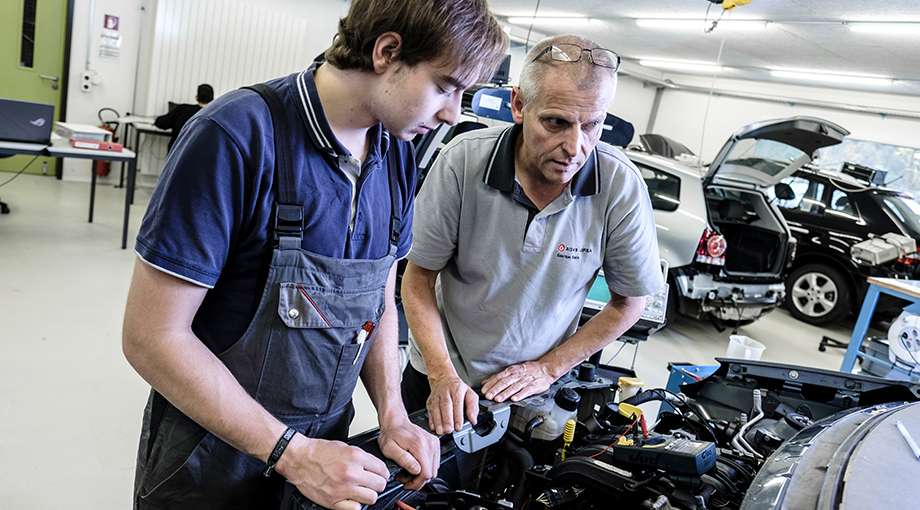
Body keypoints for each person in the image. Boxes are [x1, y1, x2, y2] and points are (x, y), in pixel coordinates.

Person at [122, 1, 507, 508]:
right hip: (207, 461)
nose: (453, 113)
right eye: (444, 86)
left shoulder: (394, 155)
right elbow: (152, 337)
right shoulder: (236, 136)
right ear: (386, 52)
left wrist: (391, 413)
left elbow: (378, 299)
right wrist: (292, 453)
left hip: (325, 454)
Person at [400, 35, 664, 435]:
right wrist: (441, 375)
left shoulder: (620, 186)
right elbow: (418, 278)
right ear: (519, 105)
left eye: (592, 125)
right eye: (556, 122)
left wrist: (549, 367)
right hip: (439, 377)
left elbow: (629, 303)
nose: (575, 147)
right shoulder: (464, 161)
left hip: (533, 391)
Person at [153, 83, 214, 151]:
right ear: (212, 99)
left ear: (197, 97)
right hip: (200, 155)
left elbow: (161, 123)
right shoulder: (214, 116)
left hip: (177, 153)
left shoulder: (182, 109)